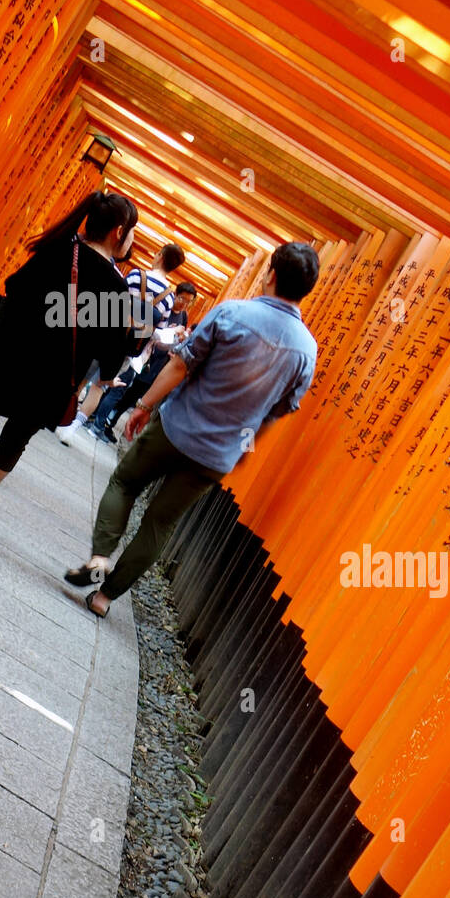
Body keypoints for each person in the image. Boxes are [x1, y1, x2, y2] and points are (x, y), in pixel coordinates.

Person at [65, 242, 320, 617]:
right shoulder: (306, 352)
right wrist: (242, 449)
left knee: (124, 483)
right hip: (216, 456)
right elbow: (274, 413)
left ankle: (100, 557)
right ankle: (105, 598)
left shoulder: (233, 313)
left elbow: (180, 366)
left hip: (175, 427)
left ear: (272, 275)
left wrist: (143, 405)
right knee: (160, 523)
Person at [0, 191, 136, 521]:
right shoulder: (116, 289)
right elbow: (112, 350)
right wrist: (105, 375)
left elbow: (14, 286)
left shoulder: (59, 249)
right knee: (15, 441)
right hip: (55, 377)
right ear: (119, 231)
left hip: (10, 353)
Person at [58, 242, 185, 444]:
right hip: (127, 350)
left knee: (81, 376)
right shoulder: (169, 298)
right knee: (99, 387)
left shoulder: (135, 276)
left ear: (159, 256)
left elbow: (113, 301)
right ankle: (72, 428)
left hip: (105, 336)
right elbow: (156, 333)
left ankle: (61, 416)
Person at [89, 280, 197, 442]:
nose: (183, 304)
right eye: (182, 299)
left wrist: (177, 340)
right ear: (175, 294)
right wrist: (170, 332)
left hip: (154, 362)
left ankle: (102, 421)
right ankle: (95, 420)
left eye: (188, 302)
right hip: (139, 353)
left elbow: (172, 340)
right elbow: (152, 331)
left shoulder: (184, 317)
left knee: (128, 395)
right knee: (117, 388)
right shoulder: (164, 308)